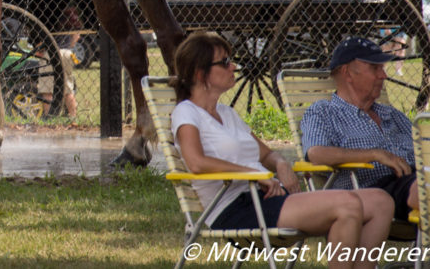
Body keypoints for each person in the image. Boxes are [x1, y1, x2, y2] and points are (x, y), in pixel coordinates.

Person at [172, 31, 392, 269]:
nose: (233, 66)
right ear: (199, 73)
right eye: (225, 62)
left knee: (380, 201)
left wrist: (281, 165)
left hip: (265, 197)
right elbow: (196, 162)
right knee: (347, 204)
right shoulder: (186, 112)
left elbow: (266, 154)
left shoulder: (227, 114)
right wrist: (256, 176)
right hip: (236, 208)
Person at [300, 36, 419, 222]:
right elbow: (316, 153)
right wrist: (375, 154)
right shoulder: (324, 112)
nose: (384, 75)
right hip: (376, 192)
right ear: (347, 73)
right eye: (375, 68)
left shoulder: (392, 114)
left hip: (416, 179)